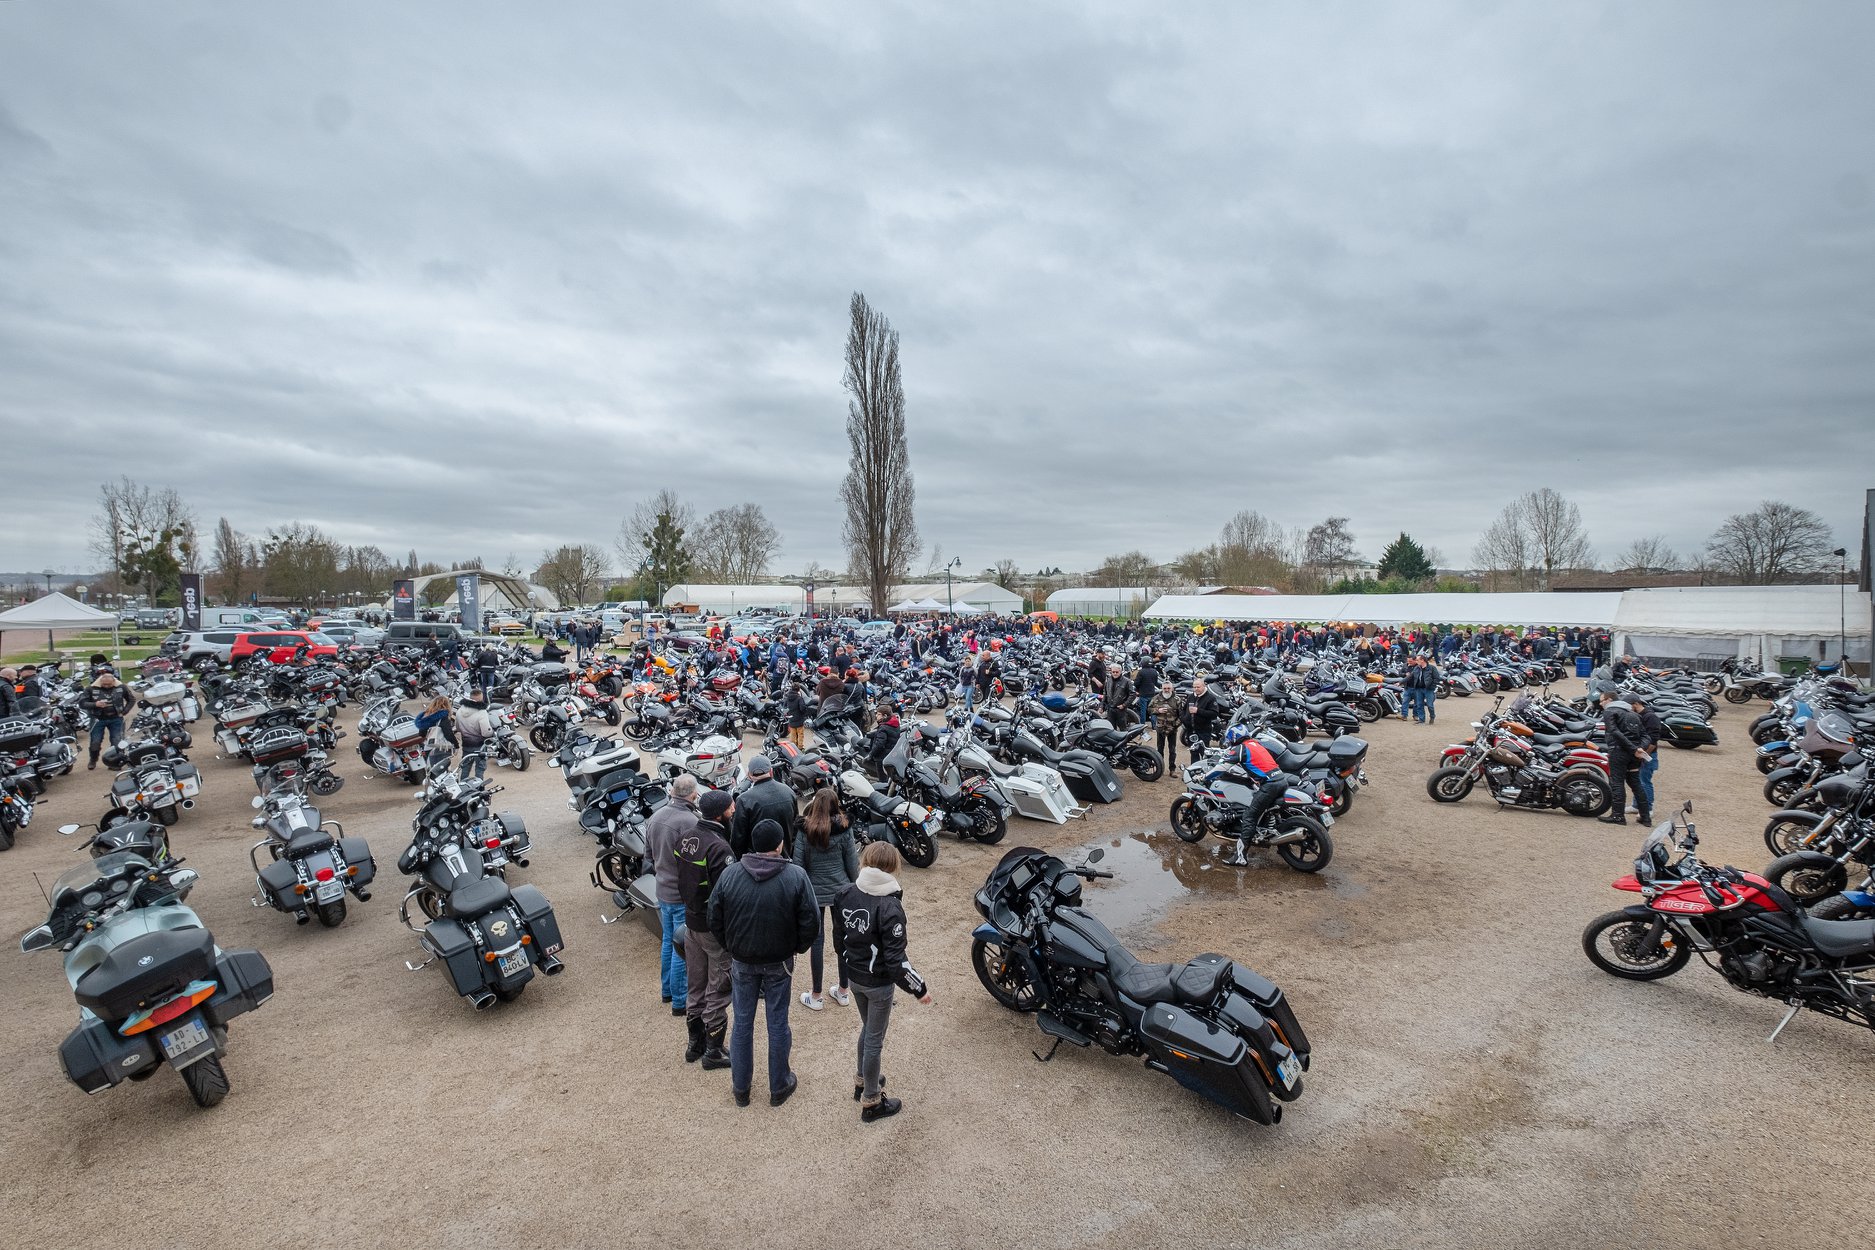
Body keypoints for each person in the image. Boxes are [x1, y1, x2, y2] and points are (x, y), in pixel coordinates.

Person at [708, 817, 819, 1108]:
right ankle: (778, 1085)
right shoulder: (795, 876)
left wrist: (731, 945)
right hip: (778, 960)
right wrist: (796, 946)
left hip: (743, 960)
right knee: (777, 1022)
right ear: (780, 845)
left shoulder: (731, 875)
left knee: (742, 1023)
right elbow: (812, 920)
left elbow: (714, 917)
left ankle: (740, 1088)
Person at [836, 841, 932, 1122]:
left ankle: (863, 1080)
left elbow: (838, 938)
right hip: (878, 984)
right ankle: (871, 1101)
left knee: (868, 1030)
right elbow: (896, 961)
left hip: (854, 976)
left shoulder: (845, 893)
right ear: (893, 867)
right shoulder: (890, 906)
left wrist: (848, 964)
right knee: (875, 1039)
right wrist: (919, 988)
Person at [677, 788, 736, 1068]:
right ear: (720, 813)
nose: (734, 810)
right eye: (731, 807)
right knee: (719, 986)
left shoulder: (687, 836)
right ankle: (713, 1051)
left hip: (690, 923)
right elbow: (727, 893)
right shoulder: (719, 847)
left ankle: (694, 1045)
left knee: (695, 983)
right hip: (712, 929)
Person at [793, 788, 859, 1011]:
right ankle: (843, 990)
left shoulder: (805, 830)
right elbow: (852, 862)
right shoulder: (844, 828)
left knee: (817, 942)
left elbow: (798, 864)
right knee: (843, 940)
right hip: (841, 890)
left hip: (813, 891)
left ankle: (816, 994)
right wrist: (856, 886)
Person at [643, 772, 701, 1015]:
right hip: (680, 894)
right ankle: (679, 1000)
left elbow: (647, 856)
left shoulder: (655, 818)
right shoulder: (690, 822)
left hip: (662, 889)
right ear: (693, 795)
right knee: (683, 946)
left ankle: (667, 991)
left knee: (668, 941)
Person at [1215, 727, 1290, 866]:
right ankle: (1283, 843)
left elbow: (1221, 767)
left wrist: (1204, 777)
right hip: (1282, 781)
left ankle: (1240, 857)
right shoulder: (1255, 744)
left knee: (1249, 816)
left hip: (1270, 785)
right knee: (1266, 810)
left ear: (1233, 737)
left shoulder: (1240, 749)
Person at [1596, 690, 1649, 826]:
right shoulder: (1633, 714)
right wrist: (1639, 748)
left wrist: (1633, 748)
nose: (1601, 704)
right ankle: (1645, 817)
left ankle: (1618, 815)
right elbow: (1645, 736)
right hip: (1634, 755)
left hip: (1619, 752)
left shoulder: (1610, 711)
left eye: (1602, 700)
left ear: (1609, 700)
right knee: (1635, 783)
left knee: (1617, 782)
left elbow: (1614, 731)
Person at [730, 755, 797, 860]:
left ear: (749, 775)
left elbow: (738, 839)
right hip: (784, 858)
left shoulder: (744, 799)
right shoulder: (789, 792)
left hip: (755, 864)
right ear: (771, 771)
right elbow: (795, 828)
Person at [82, 671, 135, 768]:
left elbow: (131, 699)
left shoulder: (121, 687)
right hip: (97, 718)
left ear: (114, 682)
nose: (106, 686)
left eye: (109, 684)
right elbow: (82, 703)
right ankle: (93, 760)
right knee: (95, 742)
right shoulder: (91, 688)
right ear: (100, 682)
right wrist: (95, 704)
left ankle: (115, 762)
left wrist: (124, 711)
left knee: (117, 741)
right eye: (104, 684)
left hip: (116, 718)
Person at [1628, 691, 1664, 820]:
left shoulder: (1650, 717)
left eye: (1629, 706)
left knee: (1645, 782)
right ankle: (1636, 805)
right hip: (1642, 753)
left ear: (1636, 704)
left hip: (1648, 755)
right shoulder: (1640, 715)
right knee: (1638, 780)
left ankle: (1648, 808)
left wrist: (1644, 755)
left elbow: (1653, 739)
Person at [1182, 676, 1221, 767]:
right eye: (1194, 687)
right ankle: (1194, 772)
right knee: (1193, 753)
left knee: (1204, 753)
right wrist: (1184, 719)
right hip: (1191, 731)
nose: (1196, 689)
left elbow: (1214, 714)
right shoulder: (1191, 696)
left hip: (1203, 731)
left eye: (1198, 687)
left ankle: (1206, 774)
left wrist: (1198, 711)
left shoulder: (1210, 698)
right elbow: (1183, 710)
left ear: (1203, 686)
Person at [413, 696, 457, 772]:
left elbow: (422, 734)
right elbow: (448, 733)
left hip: (428, 746)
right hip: (441, 747)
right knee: (442, 771)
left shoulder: (426, 716)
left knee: (432, 770)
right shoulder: (443, 717)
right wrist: (456, 745)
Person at [456, 692, 494, 780]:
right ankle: (479, 788)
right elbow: (486, 732)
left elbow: (458, 728)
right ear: (481, 698)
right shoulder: (482, 712)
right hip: (480, 746)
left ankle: (462, 786)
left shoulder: (460, 710)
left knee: (465, 767)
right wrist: (491, 732)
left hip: (466, 744)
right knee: (480, 768)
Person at [1150, 682, 1181, 775]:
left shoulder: (1177, 699)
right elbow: (1149, 709)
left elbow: (1182, 715)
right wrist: (1157, 710)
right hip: (1161, 728)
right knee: (1160, 749)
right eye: (1165, 688)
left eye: (1168, 688)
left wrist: (1176, 724)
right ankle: (1159, 768)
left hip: (1172, 728)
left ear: (1172, 689)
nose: (1166, 690)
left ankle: (1172, 769)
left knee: (1172, 750)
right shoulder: (1156, 698)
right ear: (1162, 688)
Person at [782, 679, 810, 749]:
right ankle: (800, 747)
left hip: (791, 718)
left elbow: (784, 707)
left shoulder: (787, 697)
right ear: (799, 689)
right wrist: (805, 713)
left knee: (792, 734)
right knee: (800, 734)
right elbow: (802, 708)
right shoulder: (799, 698)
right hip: (799, 719)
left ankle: (792, 747)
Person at [1134, 655, 1159, 731]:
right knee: (1153, 711)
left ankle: (1142, 726)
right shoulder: (1154, 671)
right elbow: (1155, 682)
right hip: (1152, 693)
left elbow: (1136, 683)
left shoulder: (1141, 672)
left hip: (1143, 694)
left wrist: (1138, 689)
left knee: (1143, 711)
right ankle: (1154, 727)